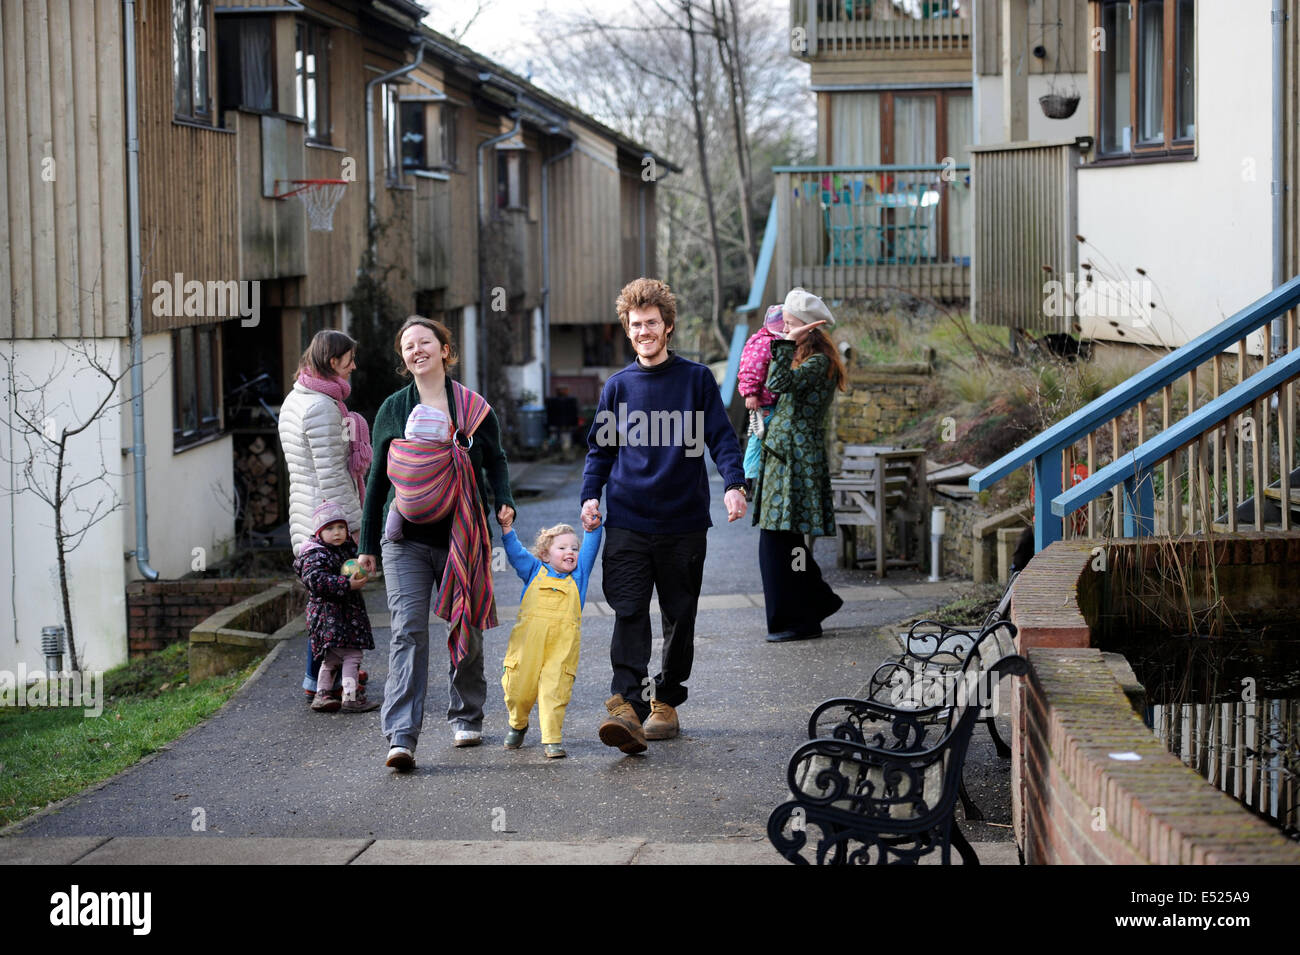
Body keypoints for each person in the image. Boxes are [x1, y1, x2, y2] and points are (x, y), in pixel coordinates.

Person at [581, 277, 747, 754]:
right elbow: (600, 451)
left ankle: (666, 701)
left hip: (683, 523)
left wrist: (734, 484)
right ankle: (628, 708)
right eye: (635, 325)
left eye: (651, 323)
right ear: (628, 330)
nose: (643, 331)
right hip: (629, 521)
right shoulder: (617, 387)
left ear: (668, 326)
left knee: (679, 616)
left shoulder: (695, 380)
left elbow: (720, 437)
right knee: (628, 611)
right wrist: (590, 496)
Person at [357, 316, 515, 773]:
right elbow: (376, 481)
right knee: (408, 630)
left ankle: (466, 714)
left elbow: (497, 461)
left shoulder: (473, 408)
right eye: (408, 346)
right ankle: (402, 737)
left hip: (460, 537)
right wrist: (367, 544)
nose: (416, 350)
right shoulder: (392, 409)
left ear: (445, 350)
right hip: (404, 539)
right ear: (403, 358)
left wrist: (503, 499)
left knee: (465, 623)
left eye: (425, 342)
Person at [279, 330, 372, 702]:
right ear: (332, 362)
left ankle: (325, 673)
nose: (354, 365)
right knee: (332, 604)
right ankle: (318, 679)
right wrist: (352, 526)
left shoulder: (296, 398)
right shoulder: (321, 407)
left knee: (323, 602)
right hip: (325, 520)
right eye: (349, 359)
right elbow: (332, 473)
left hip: (305, 513)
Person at [753, 287, 847, 642]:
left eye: (791, 325)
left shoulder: (818, 362)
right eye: (784, 324)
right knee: (782, 538)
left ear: (809, 328)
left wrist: (785, 344)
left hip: (795, 460)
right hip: (784, 458)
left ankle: (799, 617)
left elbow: (777, 383)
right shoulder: (805, 356)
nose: (784, 330)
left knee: (778, 540)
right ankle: (816, 603)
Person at [497, 514, 603, 758]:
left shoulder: (578, 578)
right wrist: (506, 528)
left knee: (554, 691)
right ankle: (518, 723)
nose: (571, 552)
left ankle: (552, 739)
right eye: (562, 547)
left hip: (561, 649)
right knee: (517, 690)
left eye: (574, 548)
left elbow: (591, 549)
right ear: (545, 555)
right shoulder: (533, 570)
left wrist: (593, 529)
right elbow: (515, 554)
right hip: (526, 647)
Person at [295, 501, 379, 714]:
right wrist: (346, 584)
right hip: (329, 616)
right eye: (330, 528)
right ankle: (350, 697)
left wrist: (363, 572)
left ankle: (322, 694)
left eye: (341, 527)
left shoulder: (346, 550)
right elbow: (316, 580)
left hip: (343, 616)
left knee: (331, 658)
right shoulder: (316, 554)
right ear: (319, 532)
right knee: (352, 656)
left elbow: (359, 564)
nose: (337, 533)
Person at [737, 305, 786, 498]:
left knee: (761, 439)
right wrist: (751, 394)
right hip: (763, 403)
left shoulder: (774, 341)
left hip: (771, 400)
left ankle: (756, 478)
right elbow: (751, 368)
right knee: (757, 439)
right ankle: (748, 479)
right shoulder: (764, 343)